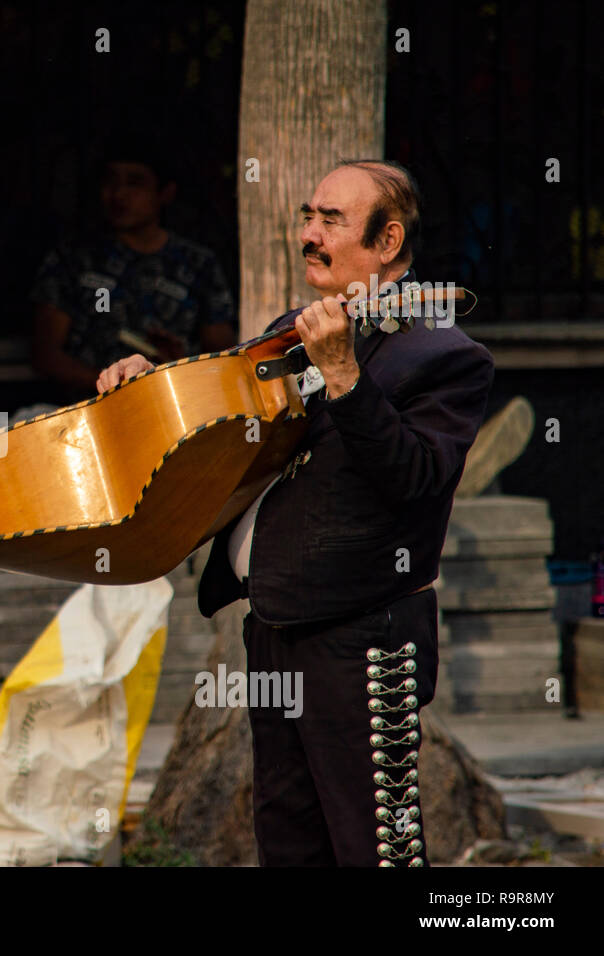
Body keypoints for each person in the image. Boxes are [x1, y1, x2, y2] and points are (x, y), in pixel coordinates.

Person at [97, 160, 494, 867]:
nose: (309, 234)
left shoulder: (445, 355)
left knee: (376, 849)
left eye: (331, 221)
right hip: (276, 622)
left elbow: (416, 478)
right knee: (288, 843)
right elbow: (218, 406)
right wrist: (145, 388)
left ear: (387, 240)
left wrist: (344, 375)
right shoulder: (293, 329)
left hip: (365, 635)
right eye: (307, 217)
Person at [31, 136, 237, 402]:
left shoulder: (198, 264)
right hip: (82, 412)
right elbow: (46, 356)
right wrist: (111, 385)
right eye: (110, 181)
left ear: (165, 193)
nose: (118, 194)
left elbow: (225, 359)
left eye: (135, 183)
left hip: (171, 407)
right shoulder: (73, 259)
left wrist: (178, 362)